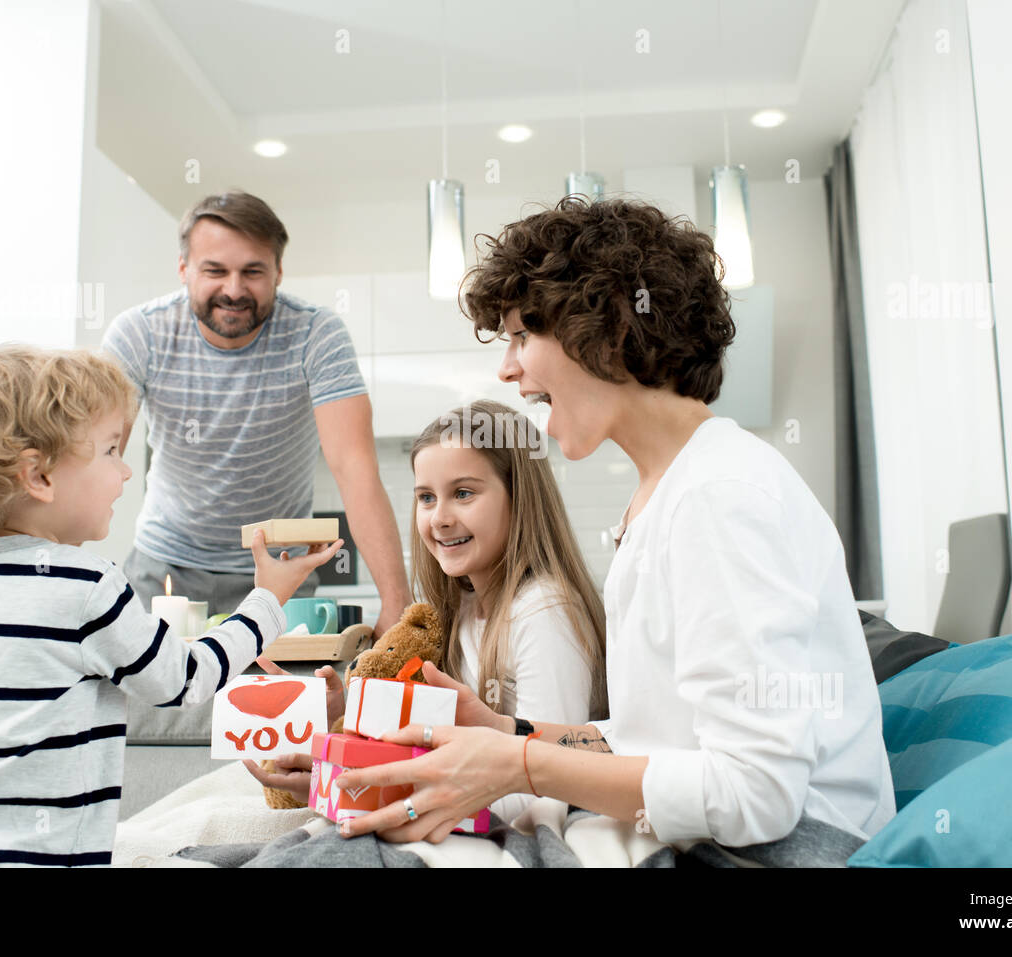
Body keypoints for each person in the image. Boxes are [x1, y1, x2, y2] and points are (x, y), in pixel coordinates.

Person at [332, 197, 897, 848]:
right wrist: (505, 730)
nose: (506, 368)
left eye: (522, 336)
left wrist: (517, 766)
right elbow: (642, 740)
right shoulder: (666, 493)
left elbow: (757, 794)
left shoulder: (719, 497)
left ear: (607, 332)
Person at [0, 345, 340, 866]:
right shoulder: (86, 586)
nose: (125, 473)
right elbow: (183, 680)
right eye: (110, 451)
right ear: (39, 476)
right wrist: (268, 599)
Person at [245, 400, 606, 825]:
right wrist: (339, 767)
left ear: (519, 498)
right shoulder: (462, 608)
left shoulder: (544, 612)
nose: (440, 518)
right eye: (427, 498)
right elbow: (434, 753)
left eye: (464, 494)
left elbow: (545, 789)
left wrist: (387, 796)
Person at [101, 190, 409, 639]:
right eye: (215, 270)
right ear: (184, 268)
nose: (234, 289)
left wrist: (396, 601)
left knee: (286, 707)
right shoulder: (140, 333)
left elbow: (354, 467)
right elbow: (97, 455)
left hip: (281, 571)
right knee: (156, 709)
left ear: (279, 272)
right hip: (165, 567)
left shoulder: (315, 334)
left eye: (252, 272)